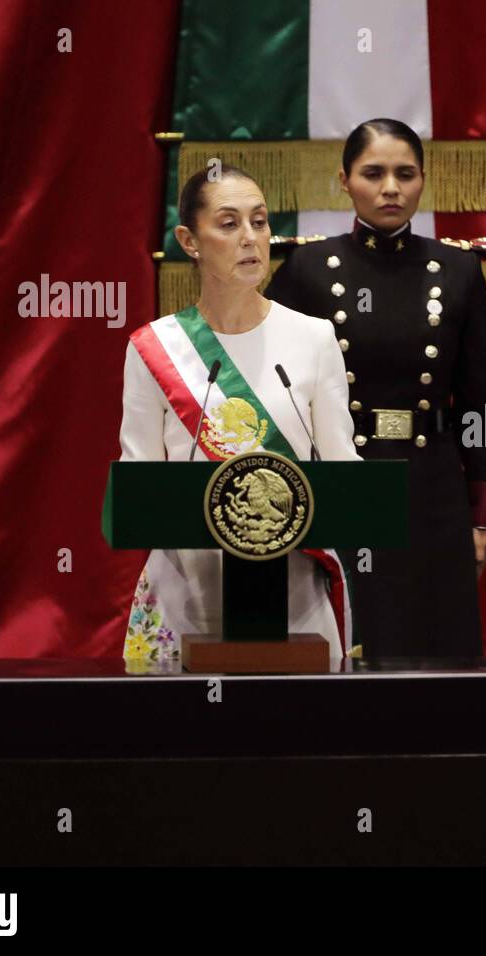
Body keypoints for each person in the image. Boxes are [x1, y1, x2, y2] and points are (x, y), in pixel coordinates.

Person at [265, 118, 486, 658]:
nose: (390, 187)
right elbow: (277, 393)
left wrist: (481, 517)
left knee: (436, 645)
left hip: (432, 483)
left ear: (423, 180)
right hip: (344, 481)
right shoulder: (308, 268)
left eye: (405, 173)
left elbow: (480, 405)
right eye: (373, 173)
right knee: (356, 637)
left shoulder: (458, 269)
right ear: (345, 180)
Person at [118, 164, 360, 670]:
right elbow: (138, 485)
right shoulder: (154, 348)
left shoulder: (314, 338)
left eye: (260, 221)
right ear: (190, 239)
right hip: (188, 592)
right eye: (229, 224)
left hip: (294, 596)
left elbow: (345, 475)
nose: (251, 238)